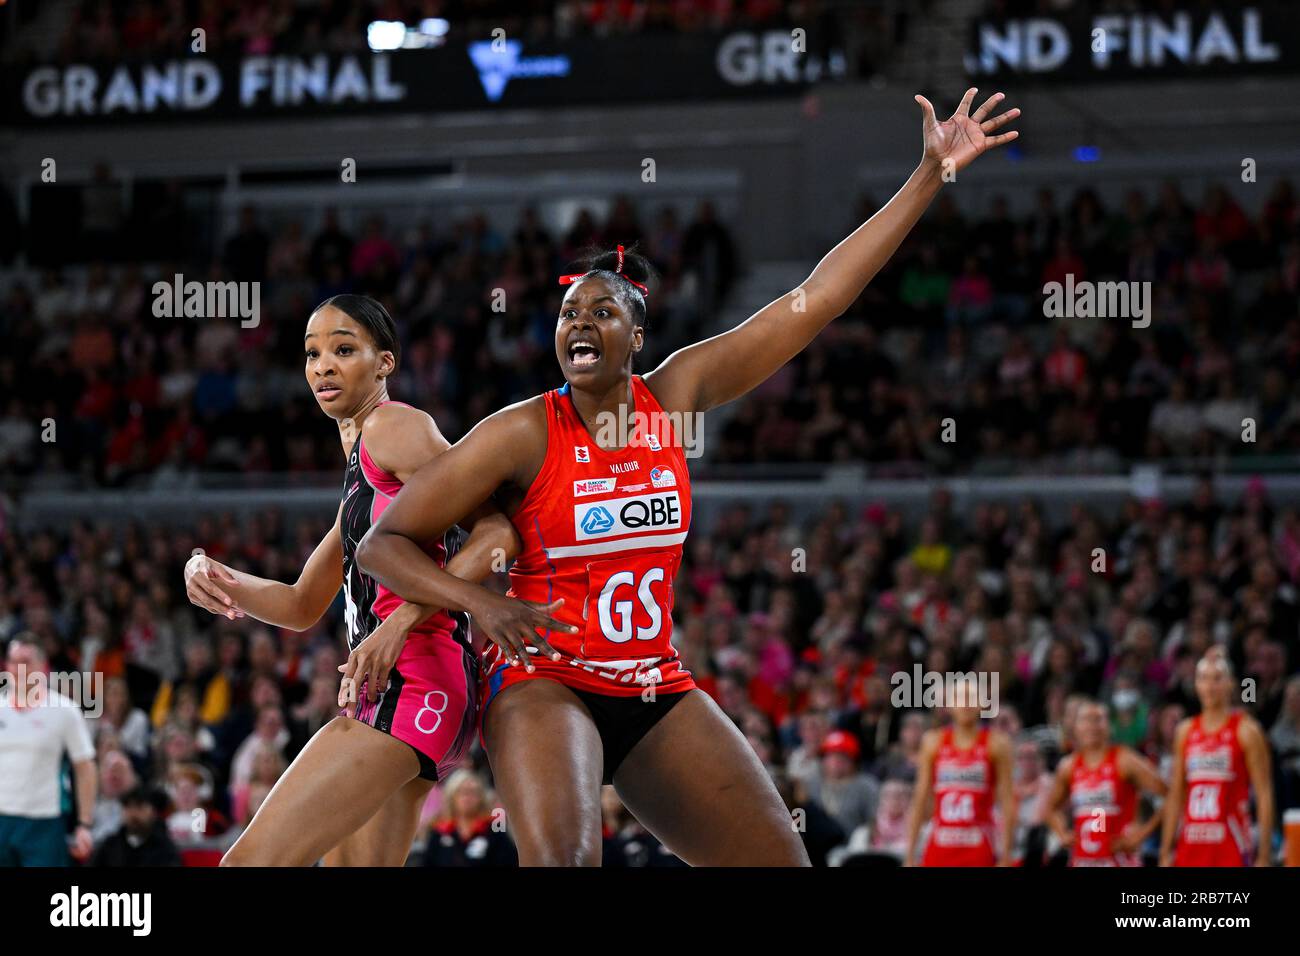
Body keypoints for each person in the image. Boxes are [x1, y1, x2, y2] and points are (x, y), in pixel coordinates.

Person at [356, 88, 1021, 865]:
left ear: (636, 335)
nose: (579, 324)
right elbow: (383, 545)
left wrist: (928, 176)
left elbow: (815, 303)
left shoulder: (676, 393)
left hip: (652, 684)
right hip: (544, 682)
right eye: (570, 315)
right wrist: (479, 605)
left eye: (601, 313)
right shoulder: (521, 431)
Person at [183, 294, 520, 866]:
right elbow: (299, 604)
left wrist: (402, 622)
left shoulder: (394, 427)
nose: (323, 366)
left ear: (384, 363)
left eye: (344, 349)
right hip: (400, 689)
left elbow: (498, 536)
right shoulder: (359, 483)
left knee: (248, 863)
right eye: (313, 354)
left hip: (418, 677)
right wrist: (212, 573)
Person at [1161, 648, 1274, 866]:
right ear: (1195, 684)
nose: (1210, 686)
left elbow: (1264, 794)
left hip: (1231, 843)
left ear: (1231, 684)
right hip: (1190, 842)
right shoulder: (1185, 730)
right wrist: (1166, 851)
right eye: (1203, 678)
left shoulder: (1246, 730)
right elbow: (1176, 794)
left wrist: (1264, 856)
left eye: (1217, 679)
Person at [0, 636, 97, 866]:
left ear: (43, 667)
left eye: (26, 661)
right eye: (13, 662)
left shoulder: (65, 711)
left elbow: (85, 767)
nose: (18, 669)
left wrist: (84, 824)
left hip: (43, 822)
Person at [1044, 700, 1166, 866]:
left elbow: (1171, 794)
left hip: (1120, 860)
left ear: (1109, 725)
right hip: (1082, 860)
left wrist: (1141, 835)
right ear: (1076, 727)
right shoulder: (1069, 766)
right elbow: (1050, 809)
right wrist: (1062, 833)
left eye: (1098, 719)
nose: (1092, 726)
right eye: (1086, 720)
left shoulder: (1125, 759)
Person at [904, 704, 1016, 866]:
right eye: (959, 698)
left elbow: (1007, 802)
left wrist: (1006, 854)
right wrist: (909, 855)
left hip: (979, 843)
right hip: (941, 842)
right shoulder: (933, 741)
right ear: (949, 706)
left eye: (971, 698)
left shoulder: (996, 743)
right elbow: (920, 800)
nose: (965, 705)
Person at [92, 787, 182, 867]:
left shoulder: (164, 849)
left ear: (153, 812)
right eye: (128, 806)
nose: (133, 813)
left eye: (139, 806)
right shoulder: (110, 846)